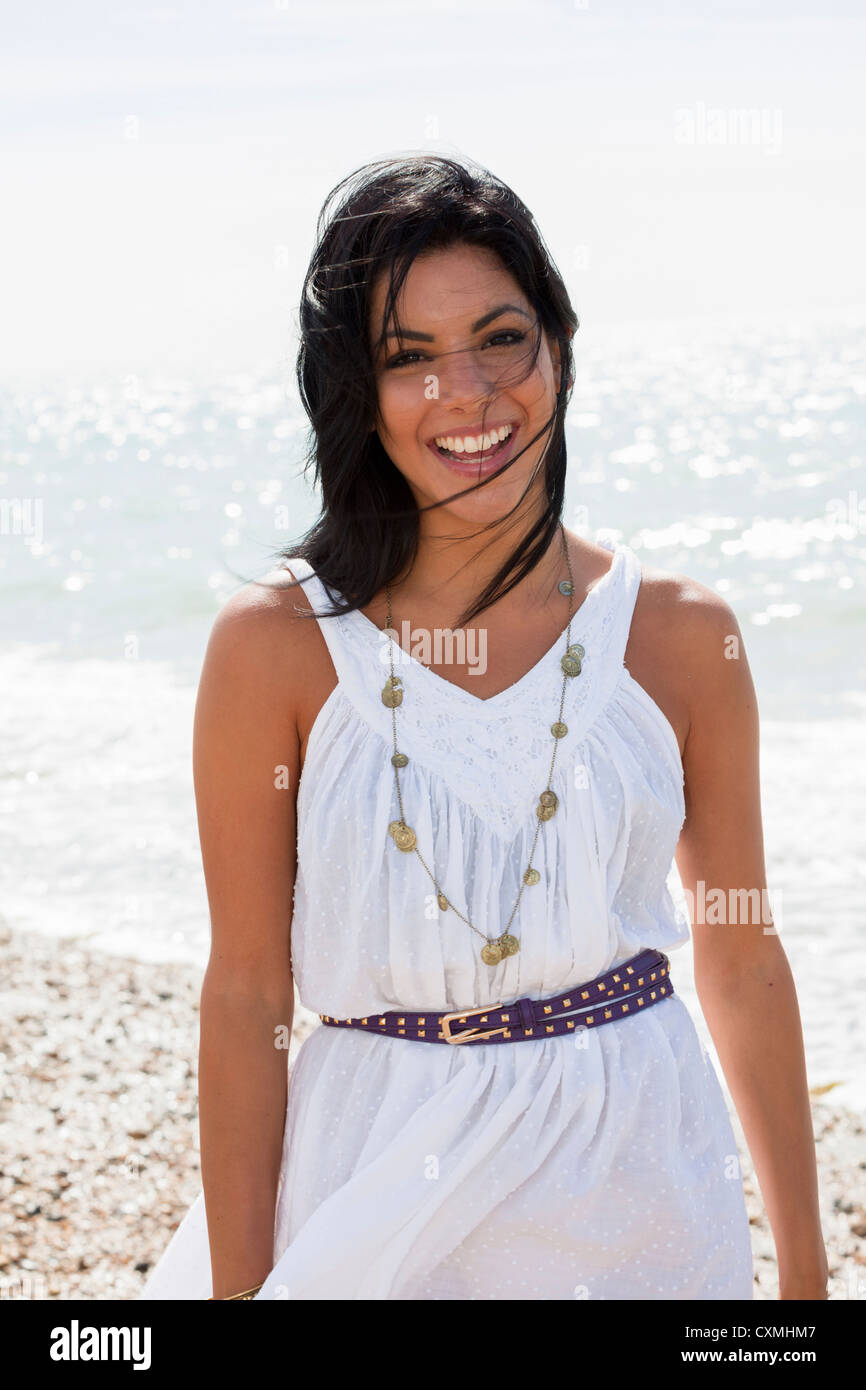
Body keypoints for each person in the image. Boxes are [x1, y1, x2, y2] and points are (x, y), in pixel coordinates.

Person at [139, 153, 828, 1301]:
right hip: (370, 1192)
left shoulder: (679, 636)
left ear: (556, 345)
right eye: (408, 358)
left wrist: (802, 1287)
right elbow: (247, 998)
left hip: (638, 1194)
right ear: (356, 390)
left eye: (501, 338)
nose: (467, 394)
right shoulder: (274, 647)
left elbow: (742, 956)